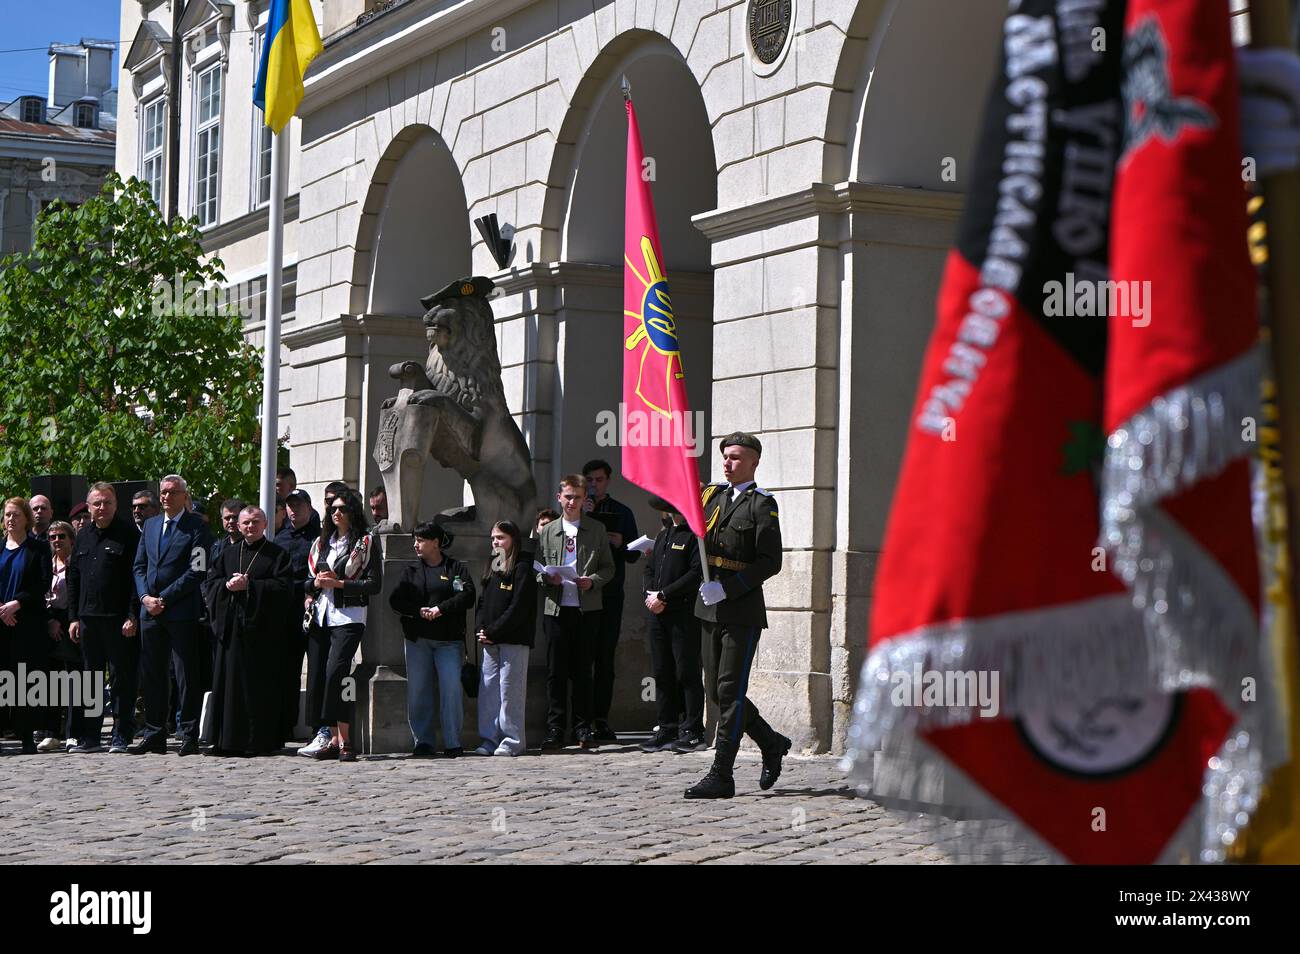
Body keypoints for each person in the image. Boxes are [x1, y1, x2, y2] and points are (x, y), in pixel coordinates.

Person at [686, 433, 791, 799]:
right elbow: (668, 504)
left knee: (730, 691)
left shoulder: (762, 505)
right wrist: (677, 471)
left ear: (753, 462)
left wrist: (728, 588)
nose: (728, 463)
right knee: (716, 691)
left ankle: (722, 774)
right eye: (725, 457)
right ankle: (771, 741)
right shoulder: (711, 496)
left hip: (741, 608)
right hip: (709, 607)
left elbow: (770, 561)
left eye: (735, 458)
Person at [130, 474, 213, 755]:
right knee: (152, 674)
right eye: (162, 492)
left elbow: (197, 570)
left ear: (184, 496)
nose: (165, 497)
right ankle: (155, 731)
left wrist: (164, 598)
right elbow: (139, 565)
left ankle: (188, 733)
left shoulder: (197, 528)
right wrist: (145, 598)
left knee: (185, 674)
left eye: (171, 492)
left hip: (180, 611)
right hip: (150, 612)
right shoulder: (151, 526)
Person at [206, 506, 294, 756]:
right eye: (245, 523)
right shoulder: (228, 553)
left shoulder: (278, 555)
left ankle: (259, 741)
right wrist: (226, 585)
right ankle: (227, 741)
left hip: (262, 632)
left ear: (265, 524)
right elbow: (211, 583)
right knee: (229, 684)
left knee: (258, 687)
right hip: (232, 629)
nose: (250, 527)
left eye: (255, 522)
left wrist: (251, 586)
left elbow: (284, 589)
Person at [535, 475, 615, 750]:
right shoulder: (548, 531)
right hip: (556, 608)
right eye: (567, 496)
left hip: (587, 608)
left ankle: (584, 725)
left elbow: (608, 568)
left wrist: (592, 580)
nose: (572, 502)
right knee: (556, 671)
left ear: (584, 499)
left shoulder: (596, 529)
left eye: (577, 497)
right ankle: (556, 726)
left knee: (583, 670)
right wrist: (547, 578)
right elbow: (537, 568)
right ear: (559, 498)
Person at [303, 489, 381, 762]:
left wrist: (339, 584)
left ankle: (346, 740)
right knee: (323, 677)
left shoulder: (365, 542)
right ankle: (333, 738)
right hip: (321, 614)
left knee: (338, 673)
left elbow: (374, 584)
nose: (336, 513)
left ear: (353, 512)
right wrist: (314, 585)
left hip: (349, 616)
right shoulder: (322, 542)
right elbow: (307, 581)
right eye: (333, 509)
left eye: (342, 509)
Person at [389, 521, 475, 758]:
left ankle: (452, 741)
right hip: (418, 640)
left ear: (435, 542)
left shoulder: (455, 567)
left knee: (451, 689)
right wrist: (419, 611)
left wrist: (441, 609)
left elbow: (467, 596)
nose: (416, 544)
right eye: (415, 540)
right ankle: (423, 741)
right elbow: (396, 601)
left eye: (421, 540)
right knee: (419, 691)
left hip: (449, 641)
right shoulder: (411, 571)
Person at [67, 482, 140, 753]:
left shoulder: (128, 535)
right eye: (97, 503)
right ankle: (91, 736)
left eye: (107, 502)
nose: (102, 507)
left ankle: (122, 734)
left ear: (115, 505)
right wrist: (73, 617)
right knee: (91, 679)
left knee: (122, 678)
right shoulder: (83, 536)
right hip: (88, 618)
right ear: (89, 507)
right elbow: (73, 578)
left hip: (118, 619)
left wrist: (132, 615)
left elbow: (136, 577)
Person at [640, 495, 705, 753]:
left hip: (682, 614)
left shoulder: (694, 535)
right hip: (657, 612)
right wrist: (650, 594)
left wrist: (665, 595)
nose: (671, 511)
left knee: (686, 671)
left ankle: (692, 729)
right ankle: (666, 727)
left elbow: (696, 573)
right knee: (662, 671)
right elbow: (650, 569)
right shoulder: (664, 535)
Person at [582, 459, 641, 742]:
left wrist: (620, 544)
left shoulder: (622, 512)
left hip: (610, 594)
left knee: (605, 658)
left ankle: (601, 718)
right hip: (579, 594)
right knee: (581, 657)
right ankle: (578, 719)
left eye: (599, 480)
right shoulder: (576, 511)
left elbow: (633, 554)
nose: (594, 485)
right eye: (590, 480)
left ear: (608, 481)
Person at [474, 521, 534, 756]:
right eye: (493, 539)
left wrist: (494, 631)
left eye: (500, 538)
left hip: (513, 639)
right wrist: (481, 628)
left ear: (513, 540)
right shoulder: (492, 564)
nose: (496, 542)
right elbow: (483, 601)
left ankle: (512, 740)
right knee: (488, 690)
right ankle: (489, 738)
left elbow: (519, 607)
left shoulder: (522, 567)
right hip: (490, 641)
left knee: (510, 691)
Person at [0, 497, 52, 754]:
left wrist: (16, 604)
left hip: (27, 622)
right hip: (1, 621)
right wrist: (2, 609)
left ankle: (27, 735)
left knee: (23, 679)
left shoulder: (38, 548)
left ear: (26, 519)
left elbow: (42, 582)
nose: (11, 519)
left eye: (16, 515)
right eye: (7, 515)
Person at [278, 489, 319, 741]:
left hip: (312, 610)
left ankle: (317, 727)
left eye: (299, 505)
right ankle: (285, 724)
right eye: (290, 505)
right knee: (287, 671)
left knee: (315, 671)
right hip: (286, 613)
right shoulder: (279, 538)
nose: (294, 510)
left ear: (309, 508)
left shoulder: (319, 538)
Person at [42, 520, 81, 752]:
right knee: (50, 680)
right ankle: (51, 732)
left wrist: (68, 620)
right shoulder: (46, 565)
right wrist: (50, 620)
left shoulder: (76, 563)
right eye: (53, 537)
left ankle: (73, 732)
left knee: (74, 680)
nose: (57, 541)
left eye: (61, 536)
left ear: (71, 540)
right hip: (50, 623)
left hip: (72, 622)